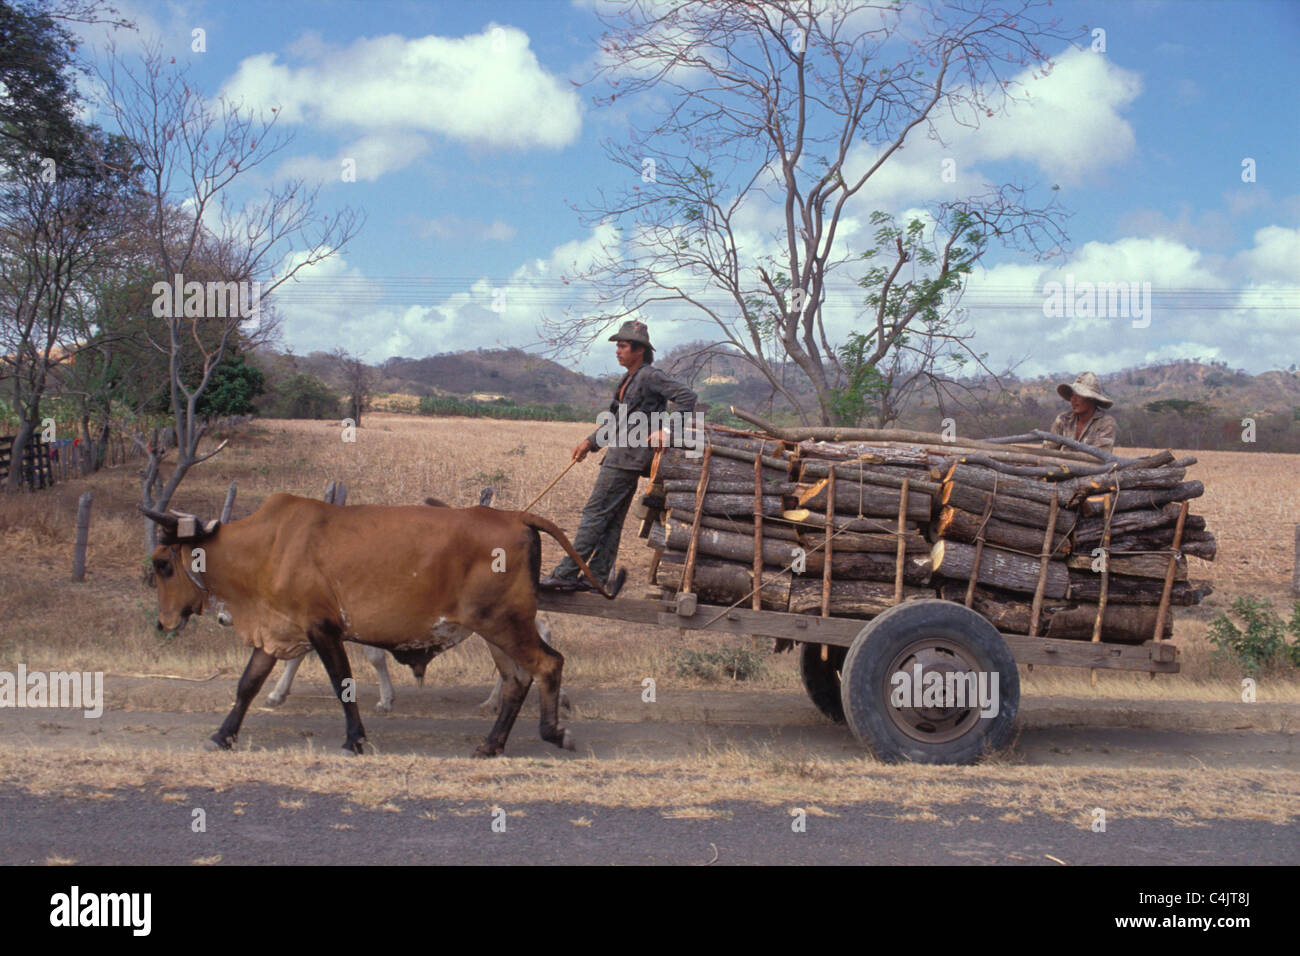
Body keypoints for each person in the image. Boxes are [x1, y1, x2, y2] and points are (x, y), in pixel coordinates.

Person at [540, 320, 698, 592]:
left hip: (629, 458)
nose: (618, 351)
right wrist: (590, 443)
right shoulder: (628, 379)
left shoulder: (650, 375)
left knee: (594, 513)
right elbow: (615, 421)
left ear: (640, 350)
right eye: (618, 346)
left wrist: (666, 430)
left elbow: (687, 397)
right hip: (621, 455)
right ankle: (597, 577)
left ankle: (566, 573)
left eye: (623, 346)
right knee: (611, 520)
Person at [1044, 371, 1118, 453]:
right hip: (1061, 465)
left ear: (1091, 399)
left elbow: (1101, 456)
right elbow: (1047, 450)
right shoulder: (1063, 420)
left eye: (1079, 395)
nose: (1073, 400)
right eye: (1072, 395)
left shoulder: (1105, 423)